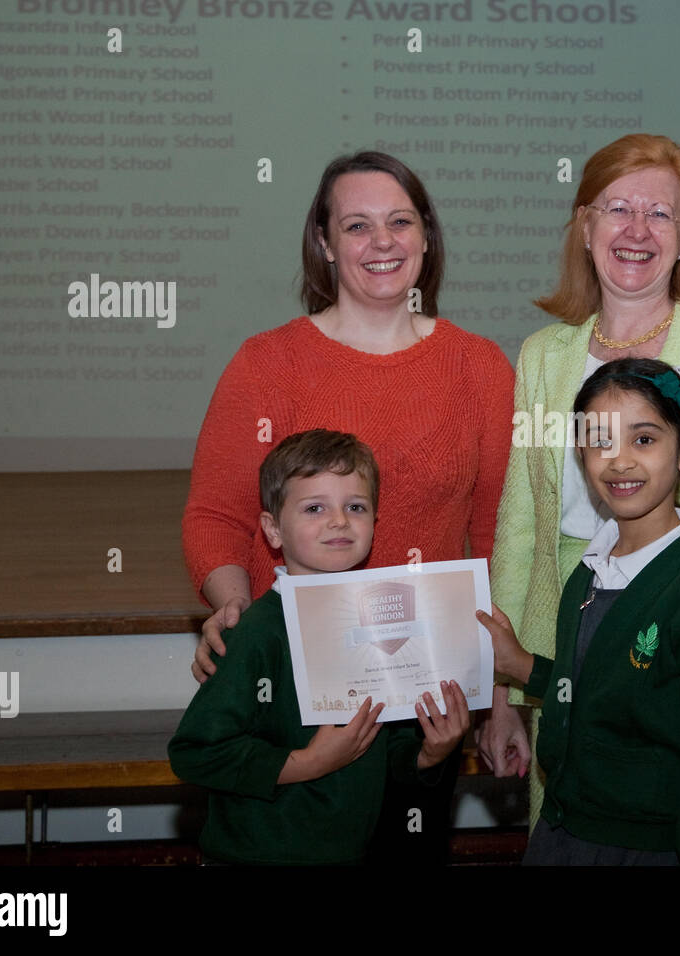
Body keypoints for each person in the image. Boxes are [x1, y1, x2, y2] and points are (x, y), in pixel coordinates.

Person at [479, 133, 680, 861]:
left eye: (661, 214)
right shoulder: (542, 356)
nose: (636, 230)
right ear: (585, 226)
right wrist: (501, 693)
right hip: (555, 659)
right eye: (617, 208)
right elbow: (520, 527)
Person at [182, 152, 514, 863]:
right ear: (325, 244)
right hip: (294, 699)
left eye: (400, 222)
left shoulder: (480, 367)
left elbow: (492, 536)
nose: (382, 242)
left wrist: (499, 696)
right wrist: (234, 609)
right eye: (357, 225)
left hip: (427, 698)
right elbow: (216, 516)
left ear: (426, 237)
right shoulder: (266, 364)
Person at [478, 360, 680, 865]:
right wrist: (520, 665)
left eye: (644, 440)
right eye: (599, 440)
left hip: (646, 849)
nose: (619, 460)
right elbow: (599, 694)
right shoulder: (588, 571)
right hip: (562, 833)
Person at [169, 429, 471, 864]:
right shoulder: (257, 632)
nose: (338, 521)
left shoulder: (383, 623)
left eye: (355, 507)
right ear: (273, 530)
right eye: (315, 508)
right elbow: (195, 753)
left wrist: (430, 752)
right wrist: (306, 763)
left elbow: (389, 747)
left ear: (375, 522)